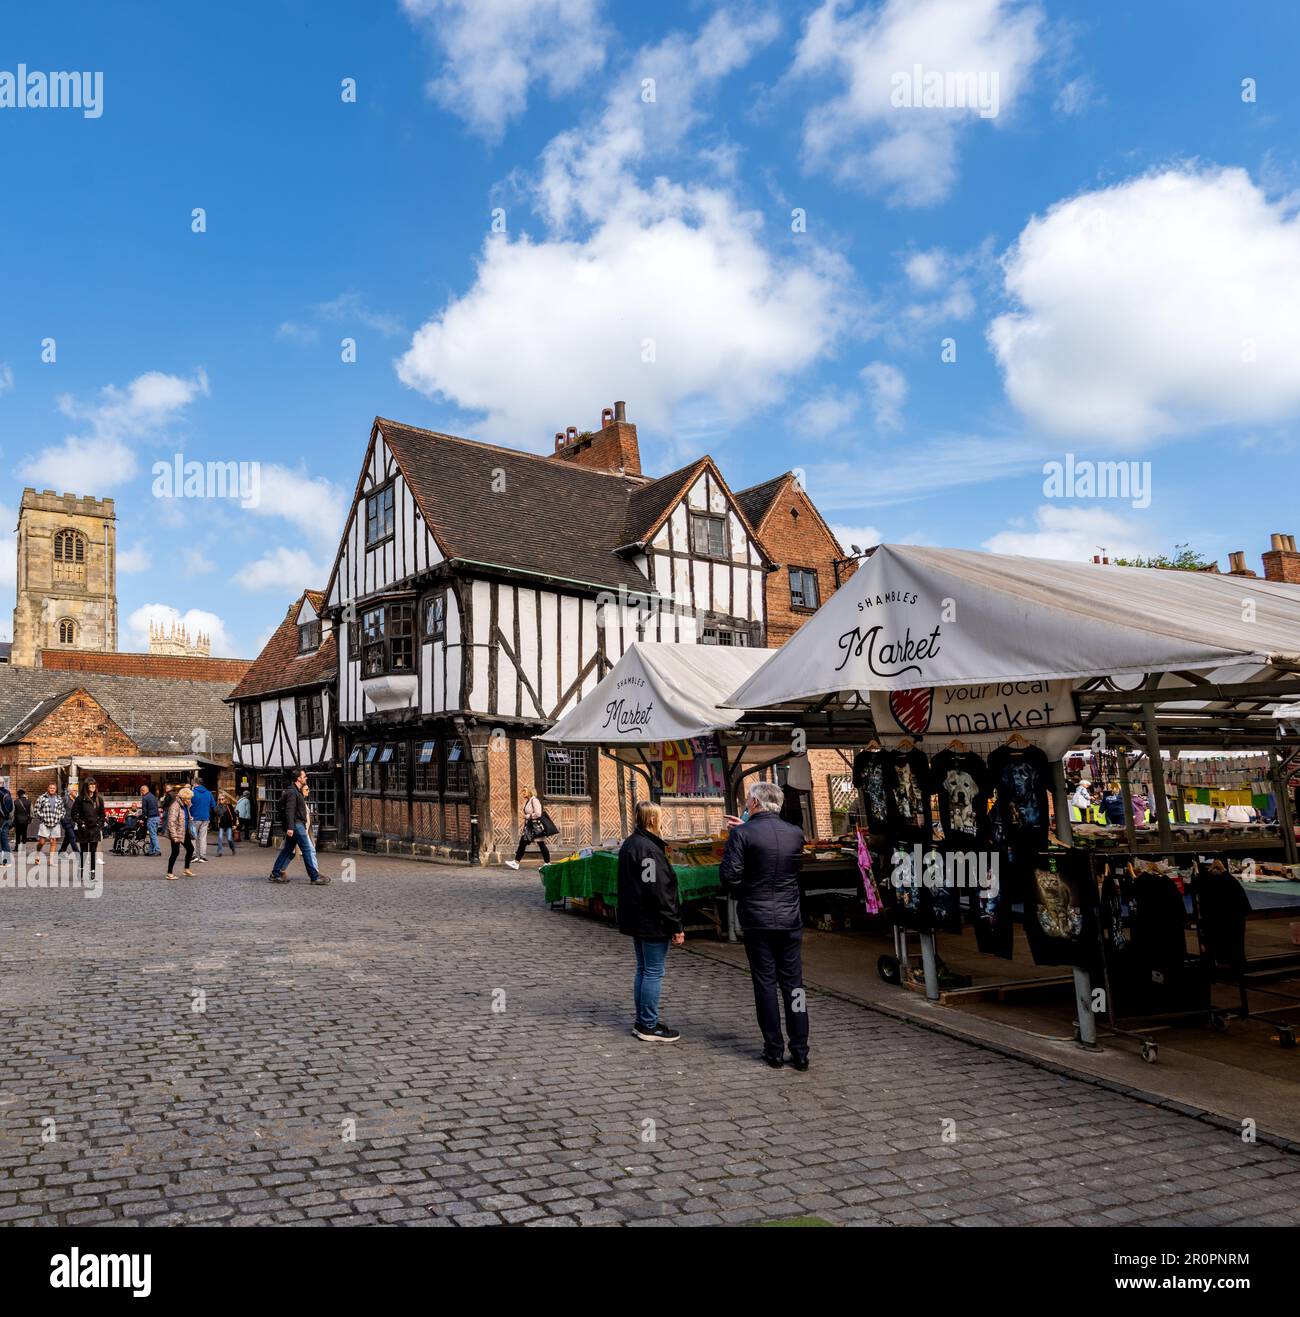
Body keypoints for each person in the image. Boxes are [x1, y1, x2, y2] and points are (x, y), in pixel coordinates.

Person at [720, 780, 810, 1071]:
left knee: (765, 984)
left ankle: (773, 1049)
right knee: (794, 985)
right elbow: (796, 871)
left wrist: (748, 890)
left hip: (758, 919)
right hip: (789, 918)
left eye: (748, 801)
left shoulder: (742, 835)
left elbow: (730, 876)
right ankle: (800, 1049)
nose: (746, 804)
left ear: (755, 804)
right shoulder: (795, 834)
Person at [616, 801, 685, 1042]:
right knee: (653, 971)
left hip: (638, 917)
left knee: (644, 969)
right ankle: (648, 1024)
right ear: (653, 820)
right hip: (651, 920)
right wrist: (675, 925)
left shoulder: (632, 844)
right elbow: (656, 889)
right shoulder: (648, 849)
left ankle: (643, 1020)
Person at [268, 769, 329, 884]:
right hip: (296, 825)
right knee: (306, 849)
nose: (306, 778)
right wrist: (290, 827)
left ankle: (275, 873)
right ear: (298, 778)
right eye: (304, 776)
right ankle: (314, 877)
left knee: (287, 850)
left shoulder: (296, 792)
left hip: (296, 824)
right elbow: (289, 810)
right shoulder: (292, 792)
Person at [505, 791, 552, 869]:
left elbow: (538, 814)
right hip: (530, 826)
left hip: (535, 827)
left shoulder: (534, 800)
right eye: (522, 791)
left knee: (540, 844)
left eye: (525, 791)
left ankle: (547, 863)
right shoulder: (529, 801)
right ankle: (516, 862)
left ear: (530, 791)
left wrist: (527, 816)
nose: (523, 792)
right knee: (524, 843)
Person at [70, 777, 106, 876]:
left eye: (94, 784)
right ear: (86, 786)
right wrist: (81, 823)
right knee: (84, 852)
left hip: (94, 828)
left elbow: (102, 814)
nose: (93, 786)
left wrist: (100, 825)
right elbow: (74, 814)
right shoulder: (80, 799)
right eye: (91, 784)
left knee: (93, 852)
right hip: (84, 829)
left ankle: (92, 871)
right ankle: (81, 869)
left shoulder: (99, 799)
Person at [164, 786, 195, 880]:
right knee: (175, 852)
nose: (189, 800)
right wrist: (174, 836)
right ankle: (169, 873)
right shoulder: (175, 806)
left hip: (184, 831)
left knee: (190, 849)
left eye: (190, 798)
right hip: (176, 833)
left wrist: (189, 818)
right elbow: (171, 822)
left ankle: (186, 869)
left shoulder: (185, 805)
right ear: (183, 798)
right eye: (188, 799)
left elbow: (184, 816)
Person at [33, 783, 66, 856]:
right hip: (44, 823)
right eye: (51, 788)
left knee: (53, 842)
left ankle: (51, 861)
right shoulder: (42, 798)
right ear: (48, 788)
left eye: (54, 788)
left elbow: (63, 810)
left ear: (56, 789)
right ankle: (37, 853)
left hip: (55, 823)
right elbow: (36, 810)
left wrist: (59, 817)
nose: (52, 789)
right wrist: (42, 817)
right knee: (42, 842)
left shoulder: (59, 798)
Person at [190, 779, 215, 863]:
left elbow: (187, 804)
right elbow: (213, 805)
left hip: (194, 818)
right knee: (203, 838)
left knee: (193, 837)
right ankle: (202, 856)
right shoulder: (209, 793)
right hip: (205, 818)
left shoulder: (192, 792)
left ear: (195, 783)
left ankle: (193, 856)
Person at [140, 784, 162, 856]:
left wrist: (143, 818)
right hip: (157, 817)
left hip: (151, 818)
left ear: (143, 791)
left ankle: (157, 850)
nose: (141, 793)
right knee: (153, 834)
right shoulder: (153, 796)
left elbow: (144, 809)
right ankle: (151, 850)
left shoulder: (145, 797)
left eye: (141, 791)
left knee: (153, 835)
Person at [58, 783, 79, 855]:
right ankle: (78, 855)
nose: (76, 792)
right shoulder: (65, 799)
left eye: (77, 790)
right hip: (66, 821)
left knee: (67, 838)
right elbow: (58, 808)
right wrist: (62, 817)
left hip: (73, 822)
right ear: (70, 791)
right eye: (74, 790)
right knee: (72, 838)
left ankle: (61, 852)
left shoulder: (77, 800)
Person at [0, 776, 12, 864]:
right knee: (4, 839)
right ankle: (7, 861)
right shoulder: (7, 792)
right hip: (6, 818)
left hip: (0, 818)